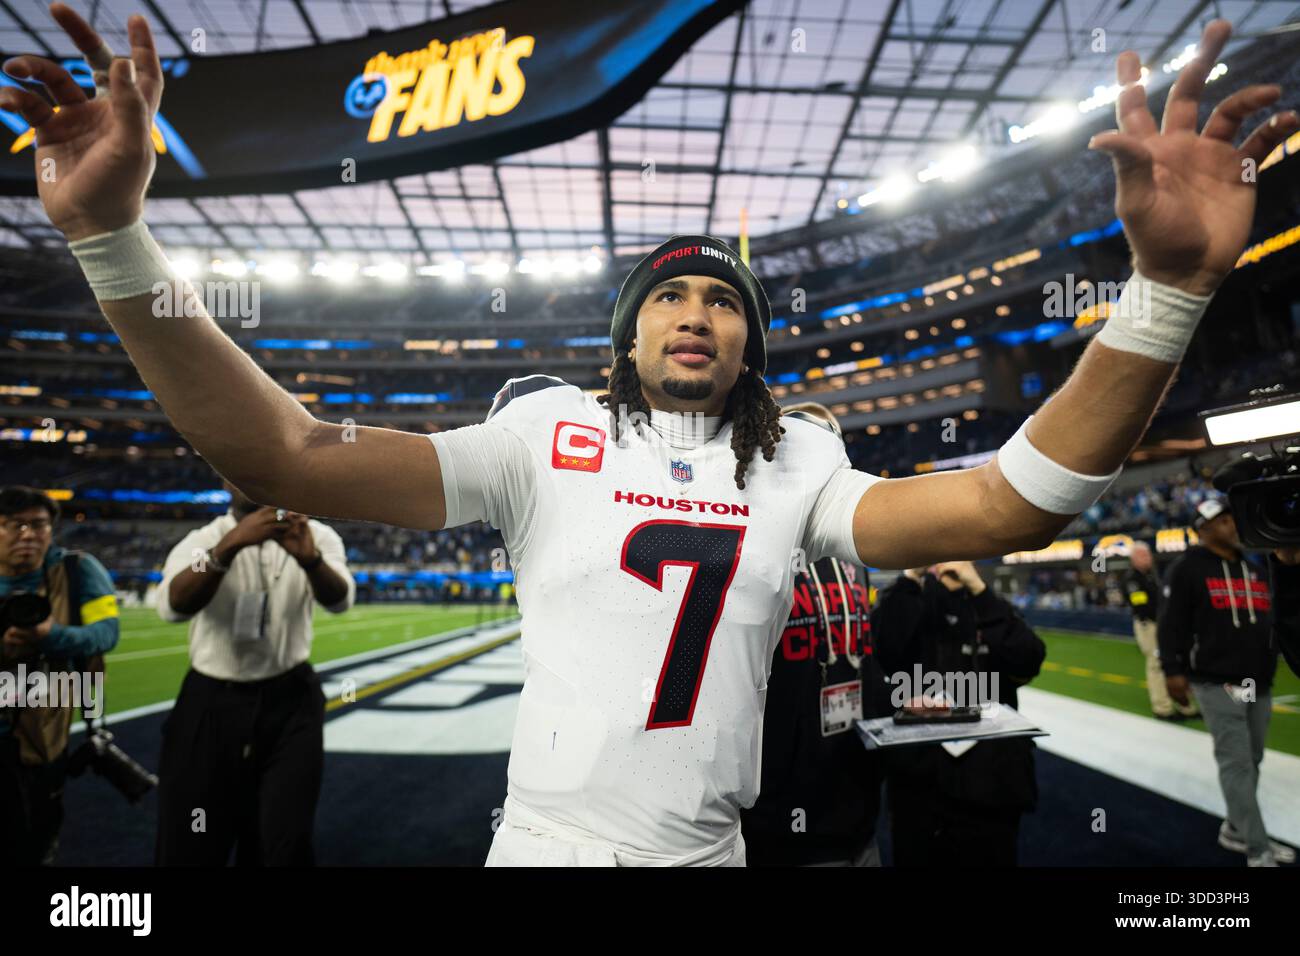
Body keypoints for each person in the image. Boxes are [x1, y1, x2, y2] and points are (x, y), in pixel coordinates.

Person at [6, 6, 1293, 865]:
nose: (695, 313)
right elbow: (283, 454)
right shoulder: (539, 435)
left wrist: (1165, 291)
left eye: (722, 301)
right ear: (624, 338)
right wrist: (114, 237)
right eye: (668, 296)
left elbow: (1006, 506)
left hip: (713, 850)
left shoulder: (800, 462)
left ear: (749, 347)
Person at [154, 479, 354, 865]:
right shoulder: (205, 538)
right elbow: (172, 607)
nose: (254, 477)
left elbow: (340, 600)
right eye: (242, 470)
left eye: (262, 468)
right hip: (212, 699)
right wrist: (228, 547)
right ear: (226, 479)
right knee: (191, 838)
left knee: (284, 840)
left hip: (290, 697)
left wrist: (310, 559)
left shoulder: (316, 534)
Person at [740, 403, 888, 867]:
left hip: (856, 806)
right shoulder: (754, 547)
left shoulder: (853, 554)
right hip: (779, 819)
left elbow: (860, 650)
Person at [871, 561, 1045, 866]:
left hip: (989, 785)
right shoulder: (908, 600)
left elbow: (1028, 659)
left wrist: (978, 589)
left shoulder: (990, 605)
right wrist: (913, 574)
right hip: (921, 782)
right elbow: (883, 649)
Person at [1158, 499, 1295, 867]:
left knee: (1252, 759)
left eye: (1235, 517)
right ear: (1203, 528)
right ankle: (1258, 848)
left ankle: (1236, 828)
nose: (1234, 525)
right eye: (1224, 520)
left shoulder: (1252, 568)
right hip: (1216, 681)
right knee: (1237, 764)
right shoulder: (1187, 568)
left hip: (1257, 680)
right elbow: (1170, 624)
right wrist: (1172, 669)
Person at [0, 486, 119, 865]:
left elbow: (106, 634)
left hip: (41, 736)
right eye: (14, 525)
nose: (28, 535)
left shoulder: (78, 569)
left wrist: (51, 636)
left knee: (33, 845)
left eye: (39, 525)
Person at [1124, 541, 1196, 720]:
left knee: (1176, 662)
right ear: (1133, 559)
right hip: (1149, 625)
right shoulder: (1132, 579)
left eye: (1148, 554)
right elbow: (1141, 606)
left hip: (1163, 624)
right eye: (1142, 555)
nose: (1147, 558)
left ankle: (1184, 705)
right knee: (1156, 664)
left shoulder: (1152, 575)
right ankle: (1162, 707)